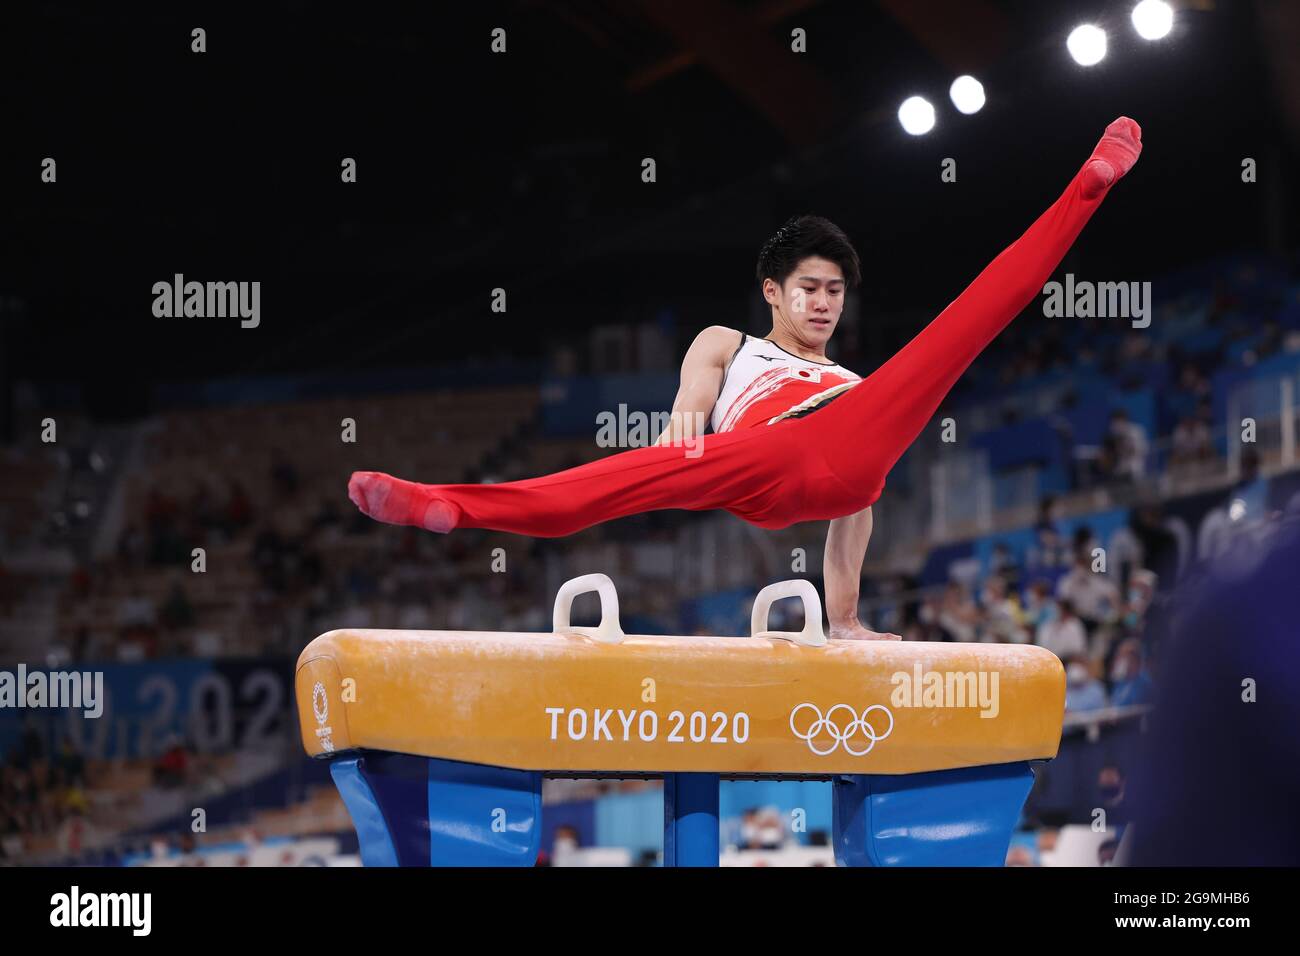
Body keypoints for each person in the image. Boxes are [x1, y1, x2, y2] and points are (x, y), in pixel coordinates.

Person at [349, 118, 1143, 641]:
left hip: (843, 451)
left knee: (969, 320)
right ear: (773, 291)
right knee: (609, 481)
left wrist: (847, 620)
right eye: (810, 289)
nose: (824, 303)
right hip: (754, 459)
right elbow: (694, 398)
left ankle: (1086, 188)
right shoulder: (729, 341)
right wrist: (682, 438)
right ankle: (449, 503)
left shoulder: (856, 381)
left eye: (836, 291)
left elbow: (856, 512)